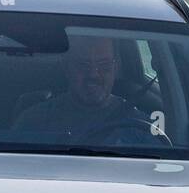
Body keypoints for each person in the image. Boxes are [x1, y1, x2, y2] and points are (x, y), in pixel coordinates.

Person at [13, 35, 144, 143]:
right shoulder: (34, 122)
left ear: (115, 68)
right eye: (83, 65)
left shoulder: (139, 125)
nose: (93, 74)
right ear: (66, 67)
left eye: (104, 66)